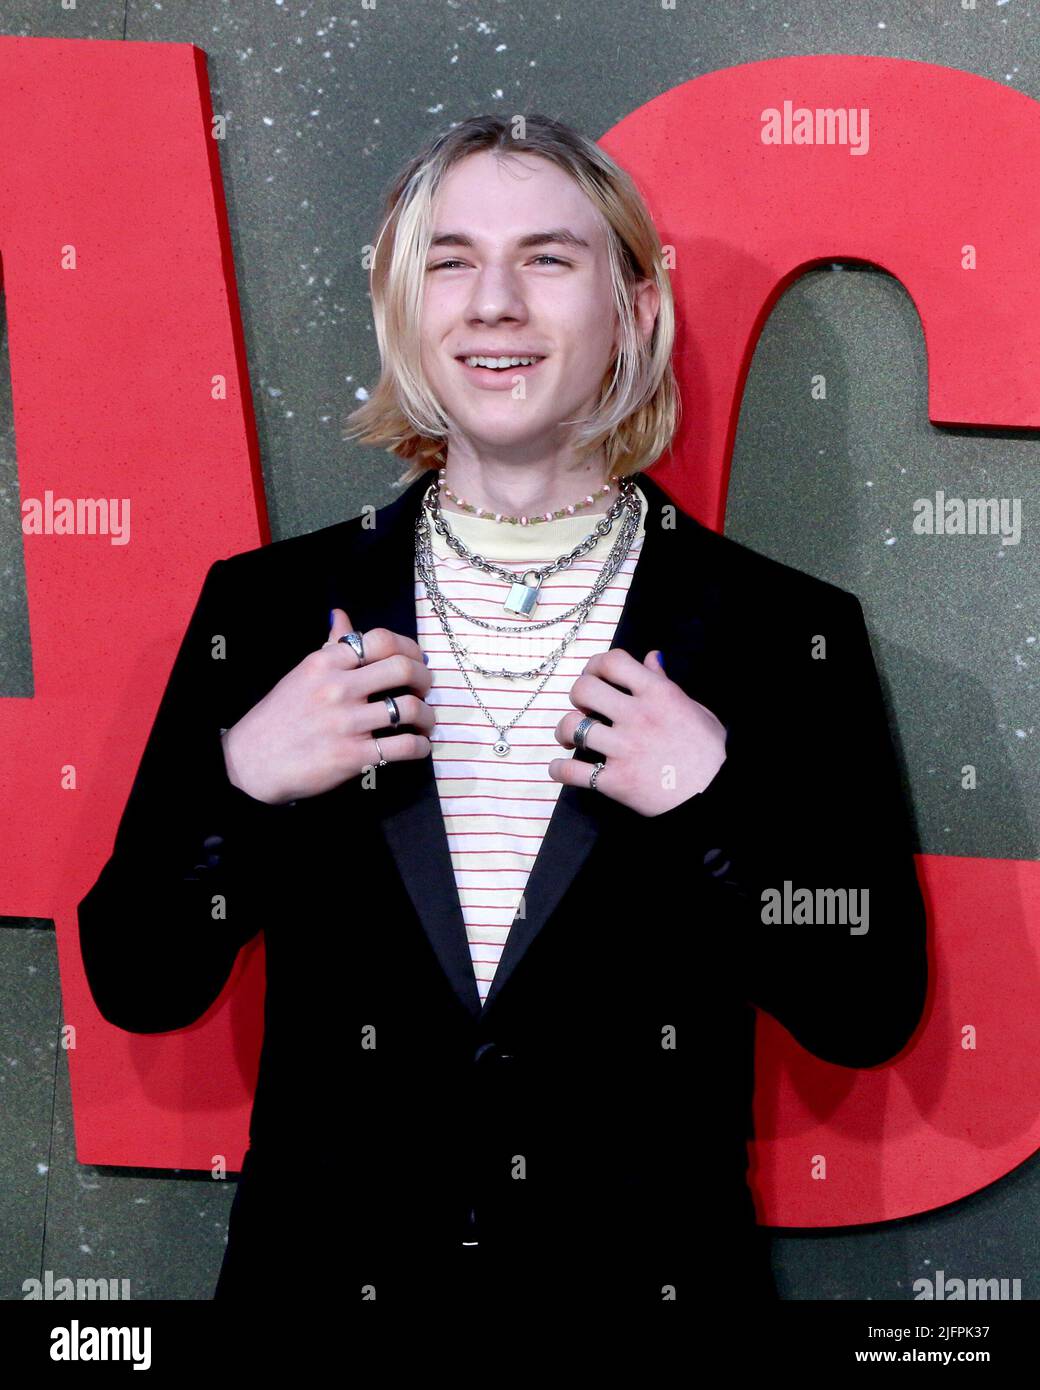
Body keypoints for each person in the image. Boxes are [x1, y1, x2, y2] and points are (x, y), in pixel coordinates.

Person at [77, 113, 928, 1310]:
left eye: (545, 257)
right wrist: (242, 784)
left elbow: (864, 1003)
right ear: (404, 310)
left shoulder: (778, 630)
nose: (491, 303)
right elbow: (134, 976)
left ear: (634, 309)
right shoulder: (268, 608)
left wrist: (714, 809)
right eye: (449, 259)